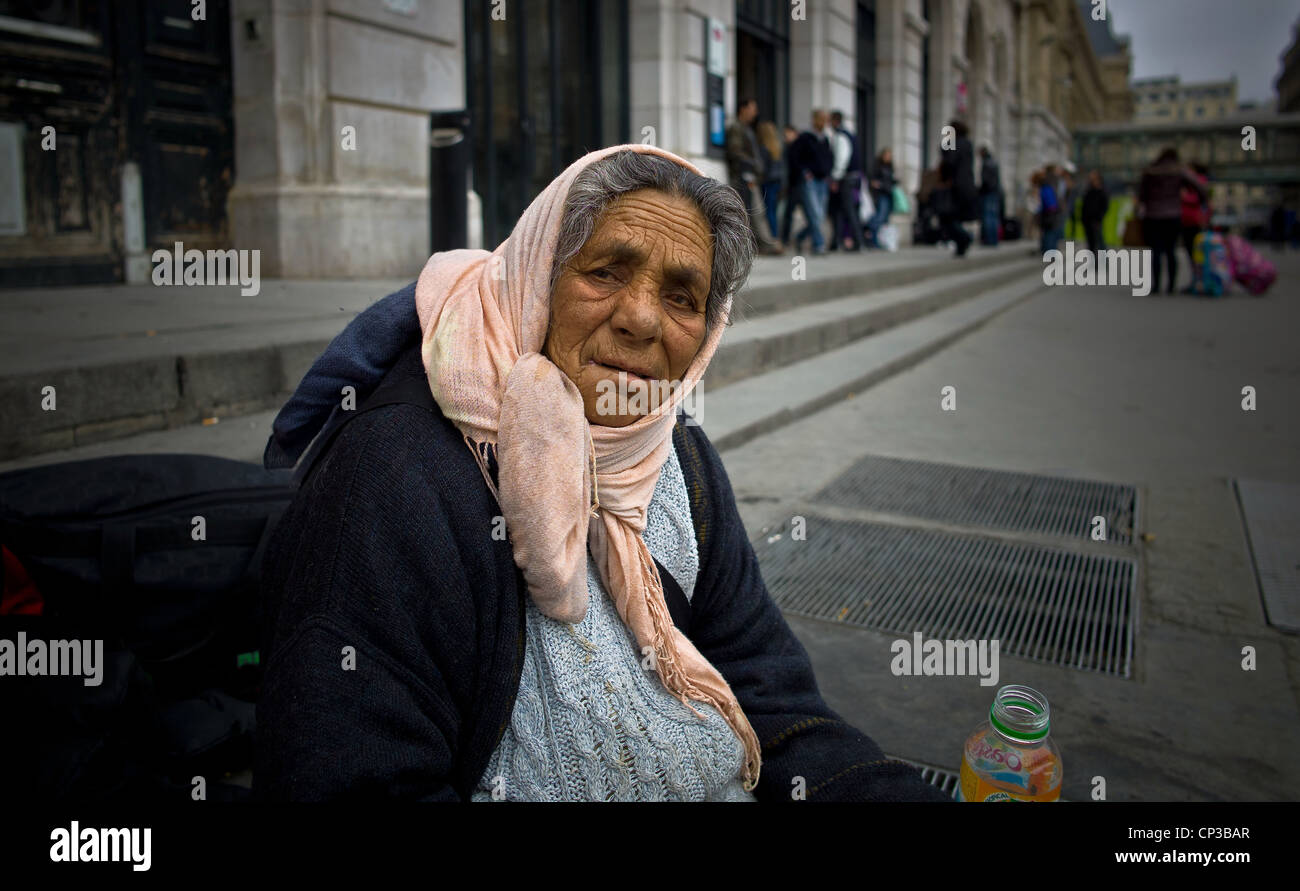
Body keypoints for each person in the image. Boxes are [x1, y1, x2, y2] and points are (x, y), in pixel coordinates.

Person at [255, 144, 951, 803]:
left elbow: (774, 695)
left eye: (682, 296)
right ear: (539, 277)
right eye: (606, 271)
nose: (643, 319)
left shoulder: (678, 456)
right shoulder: (396, 477)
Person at [1138, 147, 1206, 294]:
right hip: (1173, 215)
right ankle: (1171, 286)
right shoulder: (1179, 171)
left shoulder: (1151, 171)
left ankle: (1156, 286)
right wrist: (1202, 202)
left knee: (1155, 251)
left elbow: (1142, 194)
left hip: (1153, 215)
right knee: (1170, 251)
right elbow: (1200, 187)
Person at [725, 98, 783, 255]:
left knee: (754, 210)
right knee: (754, 211)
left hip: (750, 176)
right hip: (744, 176)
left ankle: (761, 244)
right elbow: (734, 151)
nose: (755, 112)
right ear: (743, 109)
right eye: (752, 108)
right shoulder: (737, 128)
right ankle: (764, 243)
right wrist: (753, 164)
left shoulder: (747, 129)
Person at [781, 111, 832, 254]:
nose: (824, 123)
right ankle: (819, 245)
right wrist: (804, 172)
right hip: (810, 182)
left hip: (822, 181)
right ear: (815, 120)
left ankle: (800, 236)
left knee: (820, 215)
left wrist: (828, 174)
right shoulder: (805, 138)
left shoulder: (825, 139)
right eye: (821, 119)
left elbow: (829, 159)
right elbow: (794, 158)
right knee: (814, 213)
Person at [827, 110, 863, 252]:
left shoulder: (841, 135)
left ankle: (858, 242)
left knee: (847, 211)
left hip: (845, 178)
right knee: (840, 211)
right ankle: (836, 241)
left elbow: (842, 159)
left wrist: (835, 178)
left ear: (835, 121)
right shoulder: (849, 134)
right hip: (852, 177)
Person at [938, 120, 975, 257]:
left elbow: (949, 161)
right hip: (967, 185)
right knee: (956, 217)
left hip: (956, 186)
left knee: (948, 217)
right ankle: (961, 246)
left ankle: (964, 238)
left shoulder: (956, 144)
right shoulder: (968, 144)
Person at [1180, 162, 1210, 293]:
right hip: (1186, 221)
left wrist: (1184, 197)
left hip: (1194, 221)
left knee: (1197, 253)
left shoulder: (1199, 182)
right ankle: (1195, 280)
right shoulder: (1188, 184)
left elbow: (1200, 200)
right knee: (1191, 253)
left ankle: (1200, 281)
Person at [757, 120, 786, 248]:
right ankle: (776, 238)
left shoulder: (764, 149)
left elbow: (763, 168)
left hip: (767, 182)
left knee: (768, 212)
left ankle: (773, 239)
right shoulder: (777, 148)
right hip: (777, 182)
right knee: (773, 211)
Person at [867, 148, 896, 249]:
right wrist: (877, 184)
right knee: (879, 217)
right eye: (887, 155)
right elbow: (872, 180)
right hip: (881, 194)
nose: (888, 157)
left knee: (885, 219)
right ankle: (872, 237)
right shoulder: (878, 166)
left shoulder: (890, 166)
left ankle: (881, 241)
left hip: (888, 194)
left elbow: (892, 180)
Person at [1081, 169, 1110, 255]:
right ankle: (1093, 262)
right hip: (1087, 221)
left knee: (1099, 242)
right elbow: (1085, 206)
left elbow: (1104, 207)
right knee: (1091, 243)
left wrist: (1099, 218)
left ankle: (1102, 261)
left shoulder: (1102, 191)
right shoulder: (1089, 191)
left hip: (1096, 221)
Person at [1034, 169, 1062, 254]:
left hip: (1049, 213)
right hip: (1051, 213)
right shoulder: (1049, 186)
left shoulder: (1045, 188)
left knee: (1049, 234)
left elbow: (1048, 203)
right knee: (1049, 233)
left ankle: (1049, 252)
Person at [978, 146, 1001, 246]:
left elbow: (985, 180)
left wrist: (981, 190)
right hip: (995, 191)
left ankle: (988, 240)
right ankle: (994, 240)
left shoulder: (986, 163)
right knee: (993, 216)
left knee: (987, 216)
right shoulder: (994, 163)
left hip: (988, 192)